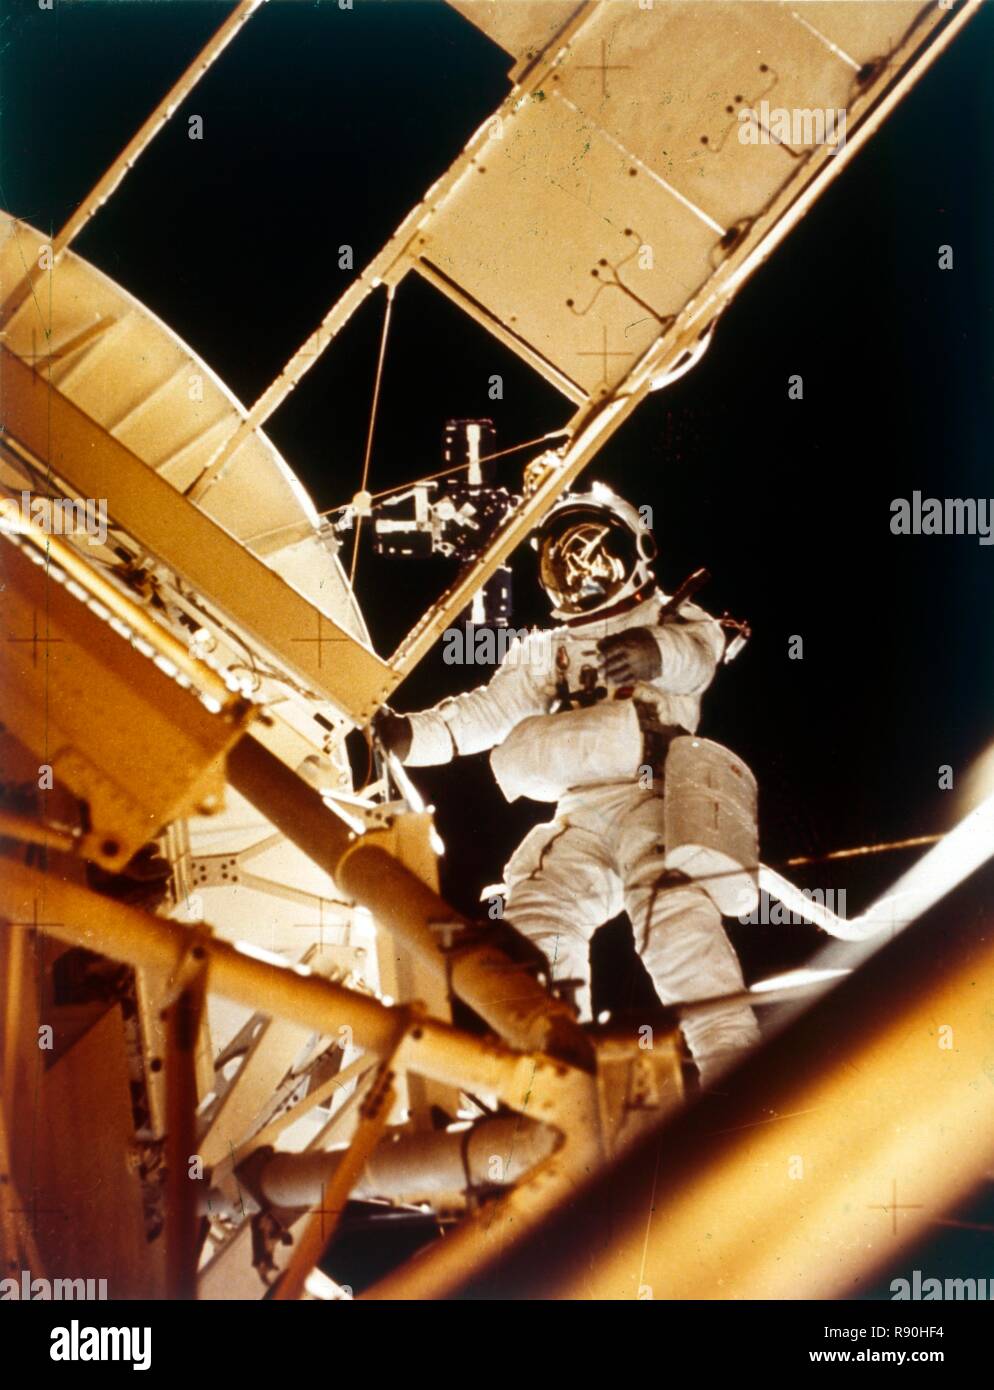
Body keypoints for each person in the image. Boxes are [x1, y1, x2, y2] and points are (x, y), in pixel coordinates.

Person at [374, 483, 759, 1084]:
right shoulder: (547, 652)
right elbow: (483, 714)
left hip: (649, 797)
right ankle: (562, 1076)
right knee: (537, 919)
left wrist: (652, 652)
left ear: (635, 547)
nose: (581, 573)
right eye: (564, 561)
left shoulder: (672, 618)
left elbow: (698, 656)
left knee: (673, 914)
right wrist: (408, 737)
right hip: (579, 815)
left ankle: (733, 1067)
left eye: (595, 552)